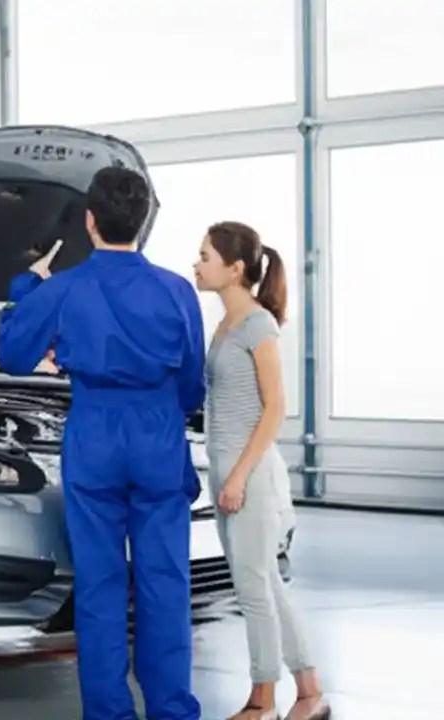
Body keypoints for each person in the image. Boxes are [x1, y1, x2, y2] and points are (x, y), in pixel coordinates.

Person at [0, 166, 205, 720]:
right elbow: (192, 383)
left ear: (90, 222)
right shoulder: (178, 291)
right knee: (165, 582)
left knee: (100, 585)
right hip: (158, 435)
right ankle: (173, 711)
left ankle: (109, 713)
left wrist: (27, 287)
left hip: (94, 436)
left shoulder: (63, 289)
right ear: (142, 222)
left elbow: (13, 356)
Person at [193, 222, 329, 720]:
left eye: (205, 256)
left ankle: (262, 701)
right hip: (229, 472)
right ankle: (310, 690)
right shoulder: (226, 326)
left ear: (236, 268)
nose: (197, 264)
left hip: (248, 477)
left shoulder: (256, 324)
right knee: (265, 582)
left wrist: (236, 478)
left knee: (251, 590)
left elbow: (275, 409)